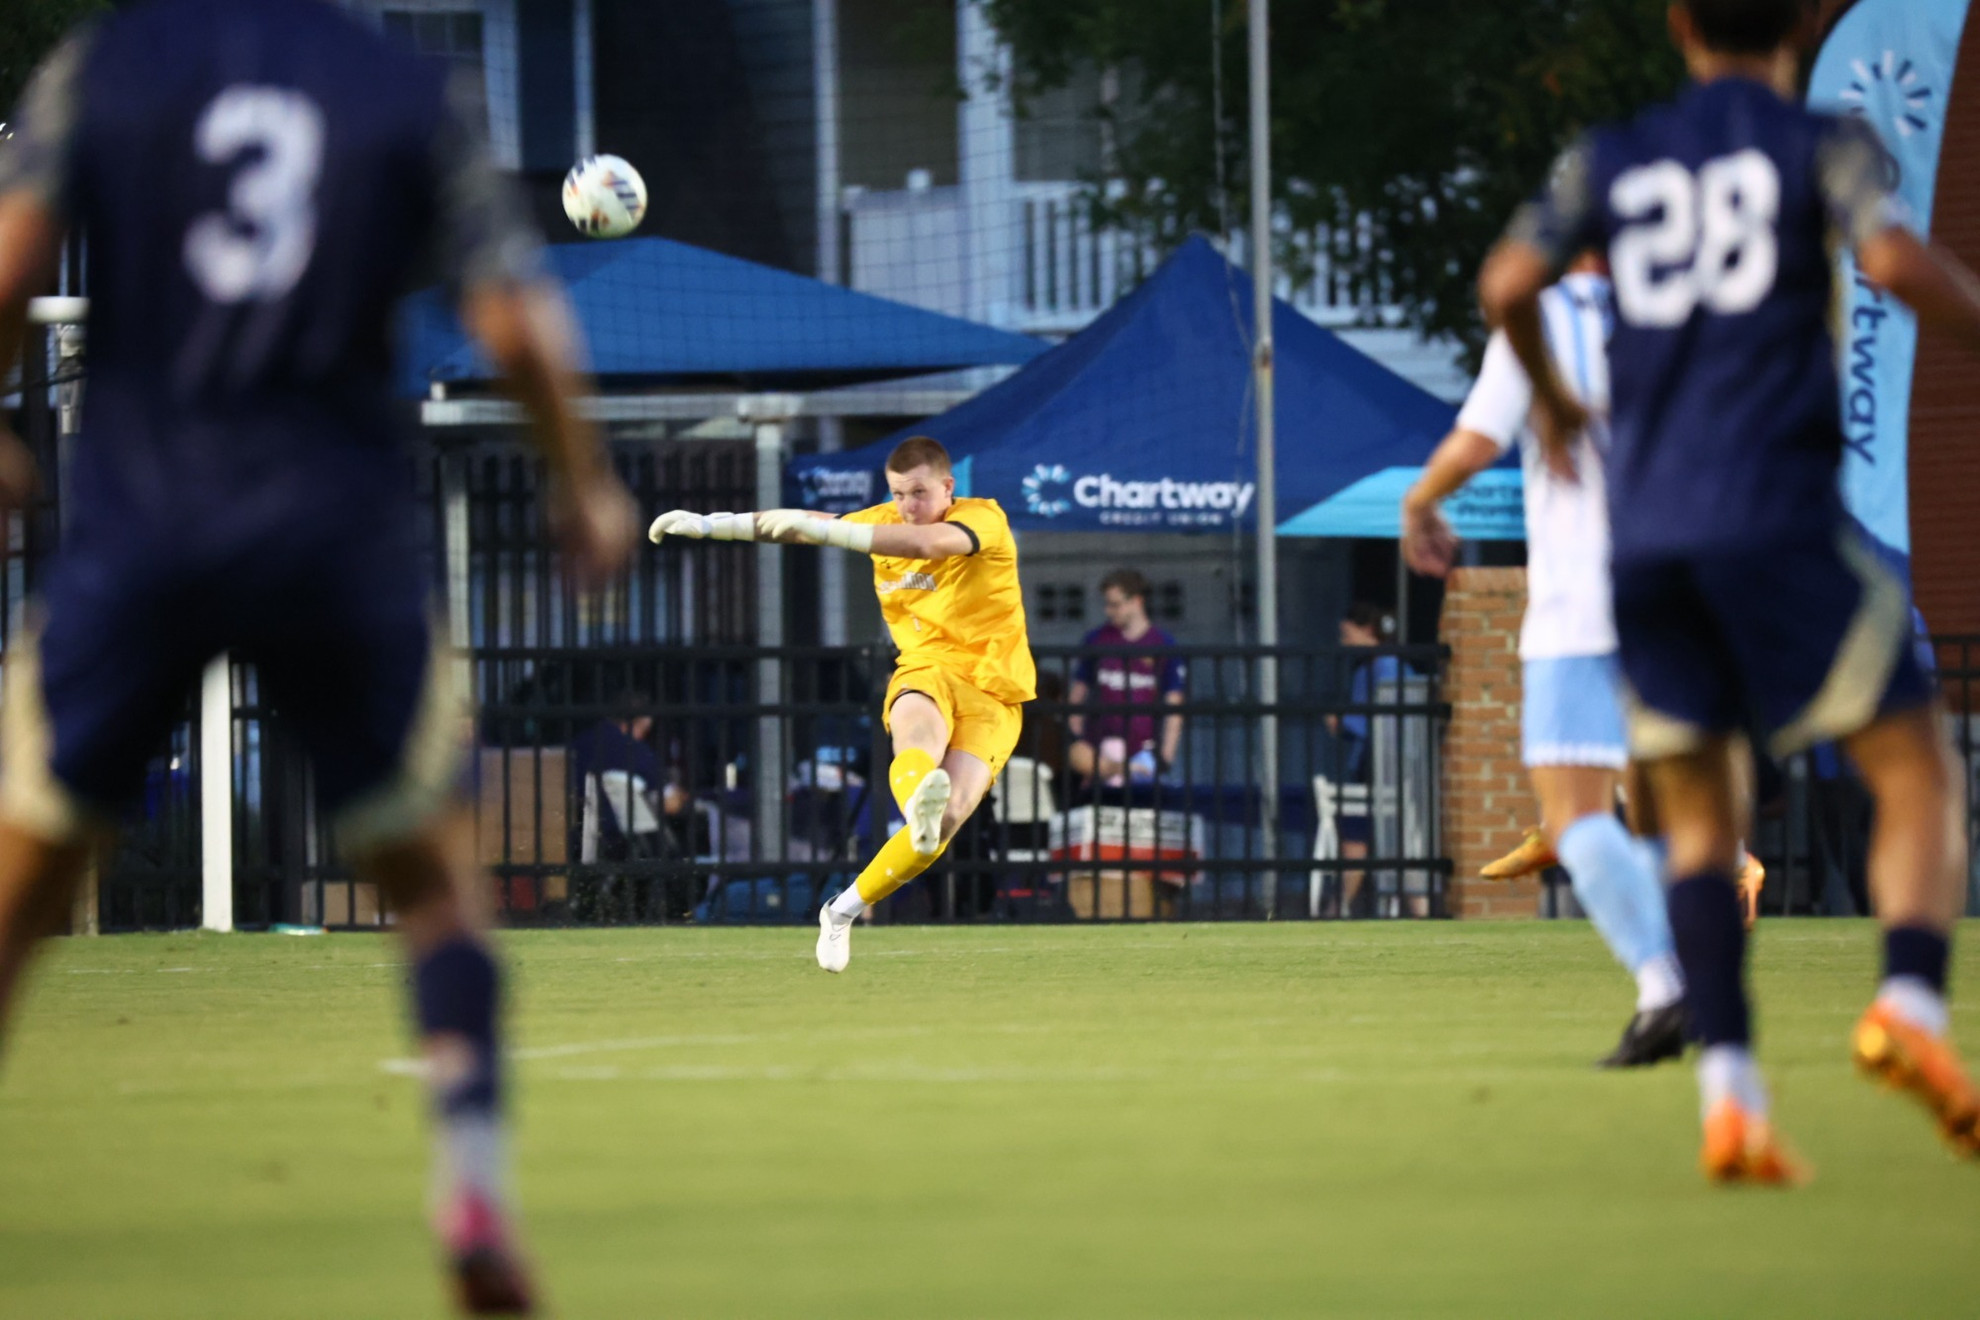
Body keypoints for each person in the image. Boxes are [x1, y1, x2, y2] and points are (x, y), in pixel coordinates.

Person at [0, 2, 639, 1311]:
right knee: (438, 884)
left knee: (23, 870)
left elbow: (10, 264)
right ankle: (469, 1181)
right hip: (332, 538)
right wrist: (582, 485)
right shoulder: (405, 89)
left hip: (139, 525)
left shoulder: (101, 71)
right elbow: (516, 328)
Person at [1480, 0, 1980, 1182]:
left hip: (1646, 542)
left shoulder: (1611, 157)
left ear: (1677, 24)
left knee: (1695, 821)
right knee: (1914, 767)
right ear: (1798, 29)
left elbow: (1508, 280)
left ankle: (1735, 1102)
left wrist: (1550, 400)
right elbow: (1897, 260)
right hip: (1778, 516)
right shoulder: (1826, 143)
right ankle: (1908, 1001)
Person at [1403, 254, 1687, 1067]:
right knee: (1668, 804)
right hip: (1686, 595)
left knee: (1576, 815)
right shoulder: (1687, 310)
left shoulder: (1546, 320)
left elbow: (1479, 437)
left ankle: (1666, 981)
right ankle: (1699, 964)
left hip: (1582, 605)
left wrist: (1419, 501)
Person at [648, 435, 1034, 972]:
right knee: (916, 732)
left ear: (948, 487)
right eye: (898, 494)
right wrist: (714, 523)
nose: (908, 507)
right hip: (926, 669)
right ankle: (918, 793)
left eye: (920, 493)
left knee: (942, 829)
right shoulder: (879, 520)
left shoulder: (982, 520)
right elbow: (793, 522)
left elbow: (927, 546)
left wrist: (834, 530)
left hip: (994, 691)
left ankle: (841, 911)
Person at [1067, 568, 1185, 789]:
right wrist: (1078, 738)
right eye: (1107, 604)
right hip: (1100, 751)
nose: (1109, 611)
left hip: (1144, 751)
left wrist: (1165, 756)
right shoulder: (1096, 640)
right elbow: (1077, 696)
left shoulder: (1163, 643)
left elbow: (1174, 705)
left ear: (1136, 601)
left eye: (1115, 604)